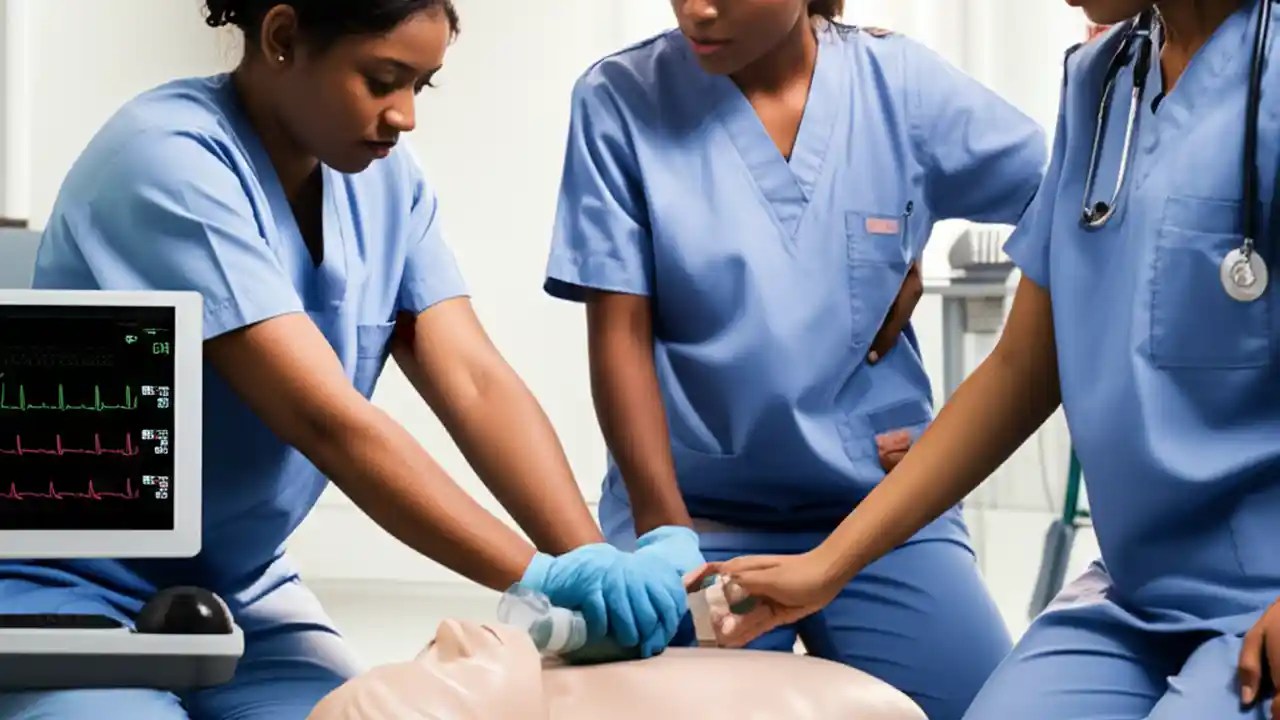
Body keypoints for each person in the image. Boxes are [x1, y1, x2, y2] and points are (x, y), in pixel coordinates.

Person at [0, 1, 688, 717]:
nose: (404, 116)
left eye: (422, 86)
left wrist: (604, 572)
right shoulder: (163, 161)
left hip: (239, 591)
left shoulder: (384, 183)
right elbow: (329, 422)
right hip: (65, 587)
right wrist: (540, 574)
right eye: (383, 79)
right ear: (283, 38)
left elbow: (476, 383)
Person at [699, 0, 1280, 718]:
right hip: (1137, 594)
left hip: (1265, 600)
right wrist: (828, 565)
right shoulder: (1102, 83)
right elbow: (1020, 370)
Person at [542, 0, 1049, 717]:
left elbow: (1079, 208)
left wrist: (956, 432)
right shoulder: (620, 101)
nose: (697, 9)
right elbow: (618, 336)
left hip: (879, 515)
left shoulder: (899, 87)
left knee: (986, 707)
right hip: (698, 516)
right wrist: (664, 539)